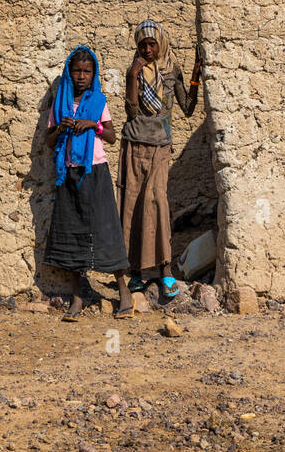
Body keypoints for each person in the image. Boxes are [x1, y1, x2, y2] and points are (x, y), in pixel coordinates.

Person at [43, 46, 133, 321]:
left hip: (95, 171)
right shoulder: (60, 102)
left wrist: (91, 125)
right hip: (68, 174)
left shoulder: (97, 101)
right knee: (71, 233)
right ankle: (77, 299)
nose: (82, 76)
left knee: (106, 229)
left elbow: (112, 137)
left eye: (87, 71)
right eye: (77, 71)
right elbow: (48, 141)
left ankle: (124, 293)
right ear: (70, 73)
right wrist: (61, 128)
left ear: (93, 74)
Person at [119, 20, 202, 300]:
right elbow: (131, 111)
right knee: (133, 206)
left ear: (160, 44)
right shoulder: (135, 69)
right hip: (133, 144)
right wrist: (133, 75)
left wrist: (194, 76)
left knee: (158, 202)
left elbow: (188, 108)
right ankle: (138, 273)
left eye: (152, 44)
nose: (147, 49)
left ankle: (165, 270)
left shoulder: (170, 69)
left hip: (160, 146)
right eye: (142, 44)